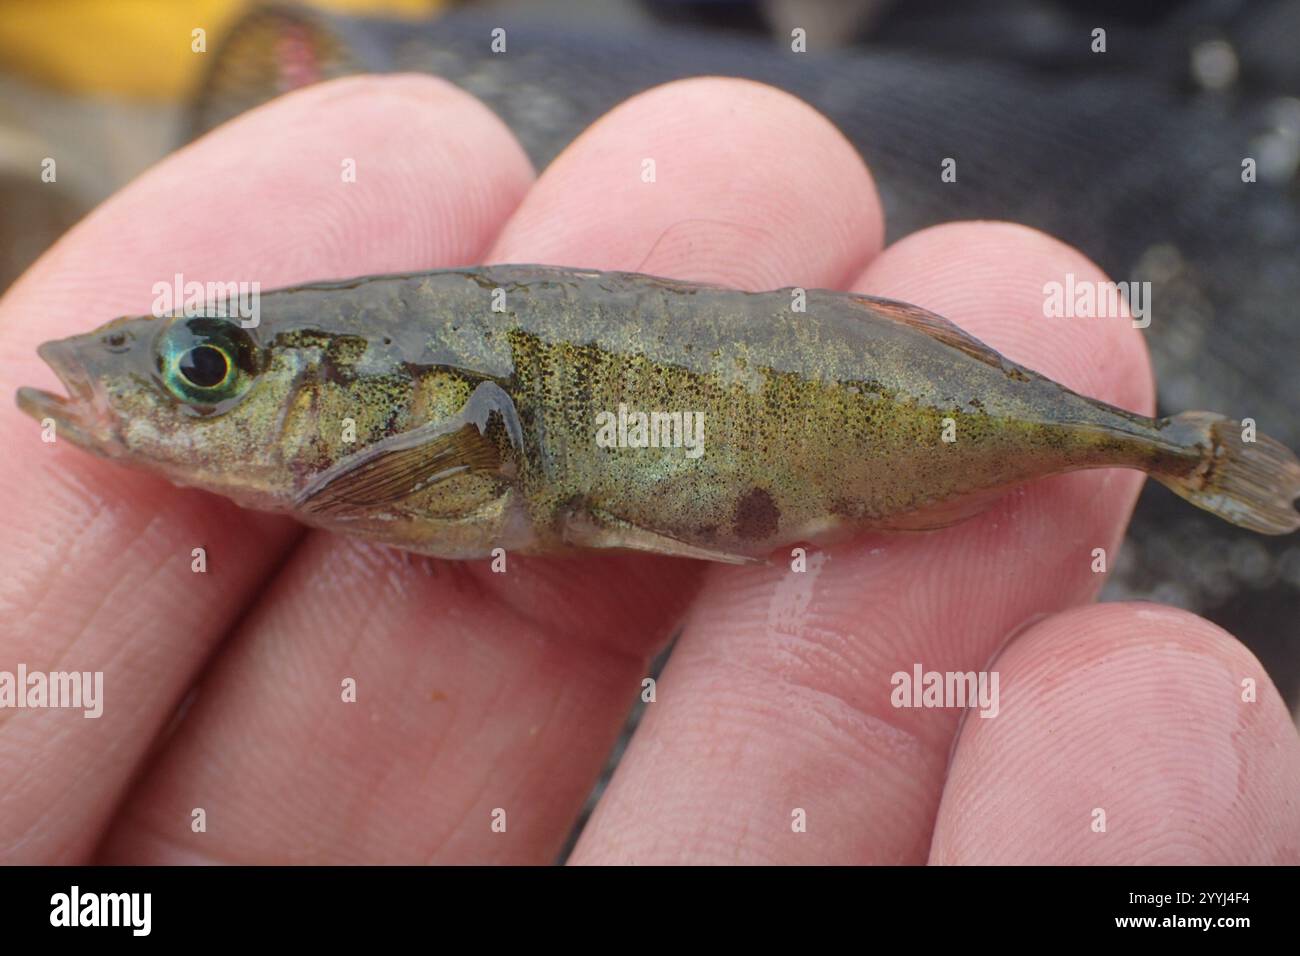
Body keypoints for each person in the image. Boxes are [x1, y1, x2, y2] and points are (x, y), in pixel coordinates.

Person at [1, 75, 1296, 865]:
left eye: (207, 369)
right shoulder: (395, 432)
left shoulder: (414, 422)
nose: (177, 386)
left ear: (365, 387)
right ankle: (1171, 450)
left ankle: (1174, 452)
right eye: (202, 369)